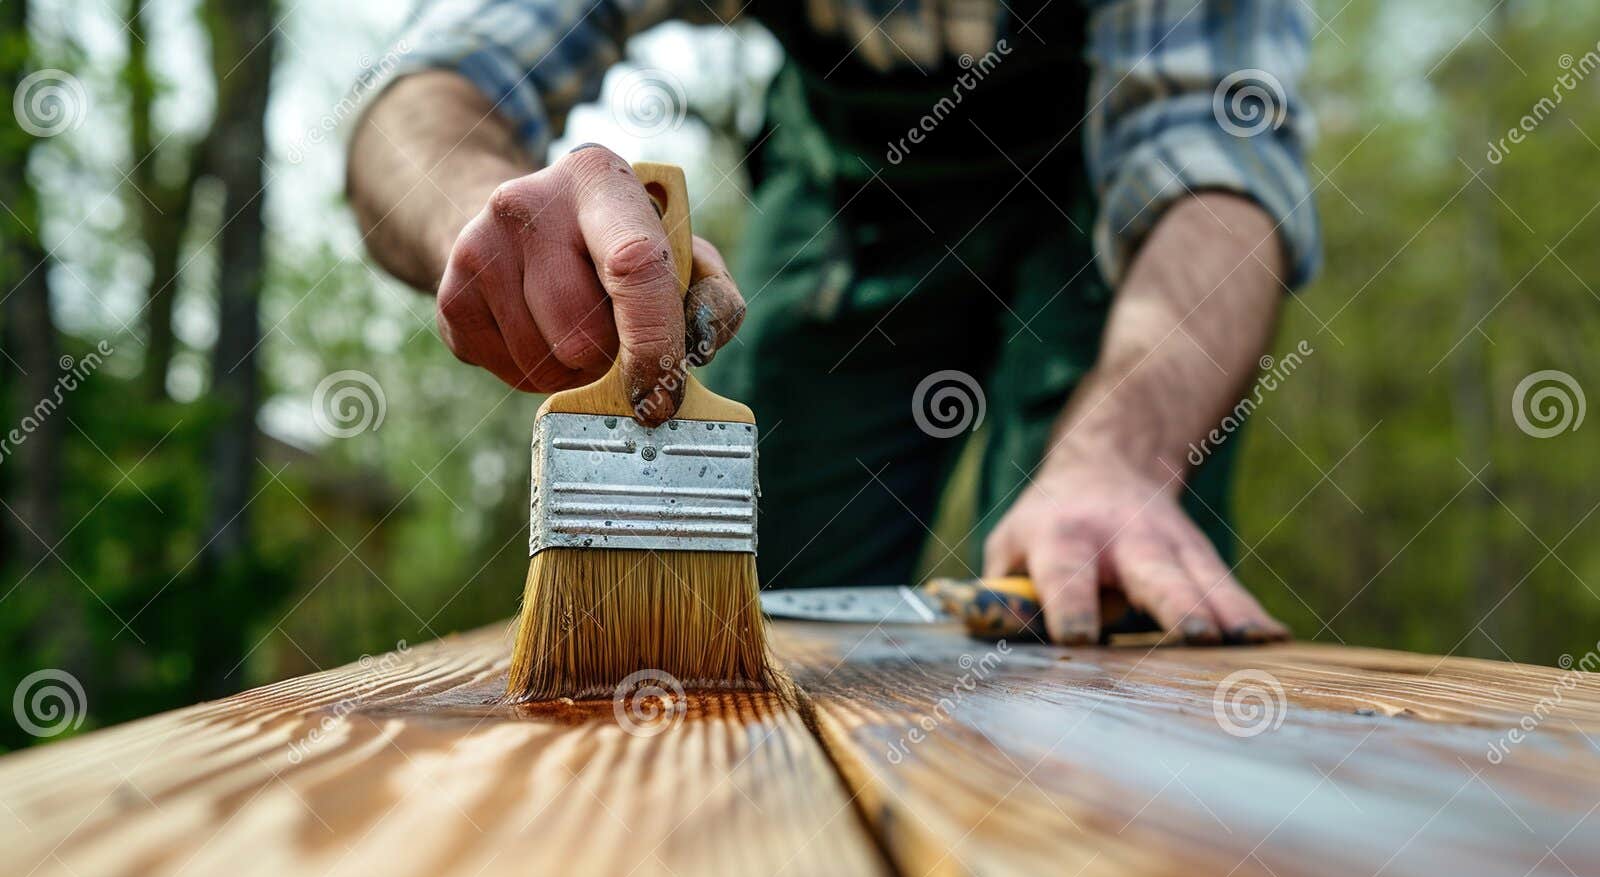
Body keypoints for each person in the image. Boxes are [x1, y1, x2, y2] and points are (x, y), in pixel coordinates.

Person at [348, 1, 1320, 645]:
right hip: (845, 202)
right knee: (731, 620)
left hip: (1112, 221)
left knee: (1098, 600)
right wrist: (484, 219)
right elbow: (438, 75)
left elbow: (1218, 173)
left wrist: (1121, 459)